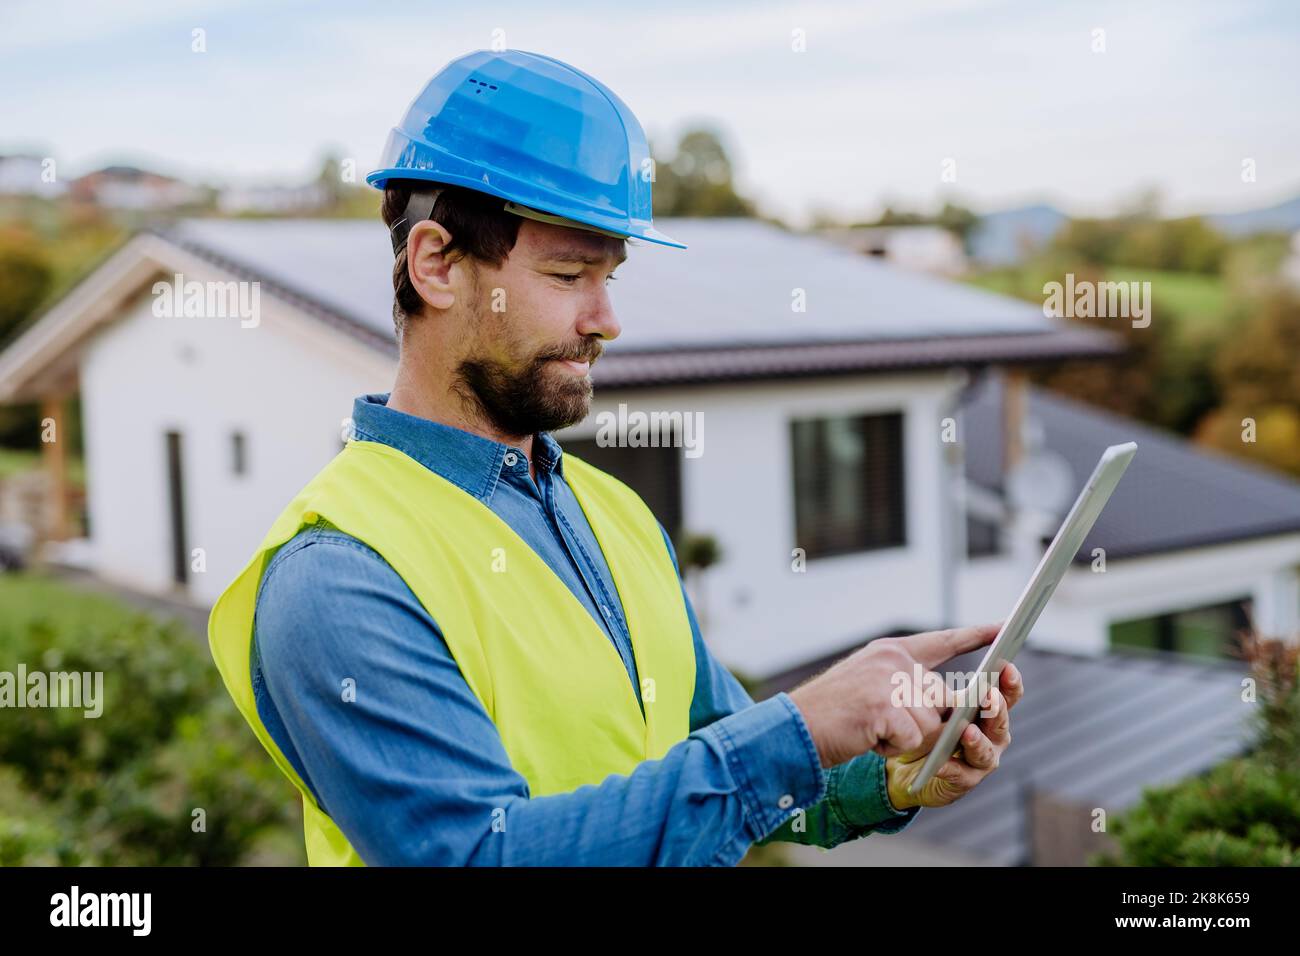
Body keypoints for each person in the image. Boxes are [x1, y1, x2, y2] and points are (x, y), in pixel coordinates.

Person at [208, 48, 1022, 866]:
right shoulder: (340, 576)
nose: (606, 319)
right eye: (569, 274)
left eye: (611, 276)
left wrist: (890, 779)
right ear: (437, 265)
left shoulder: (613, 514)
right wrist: (802, 726)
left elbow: (718, 775)